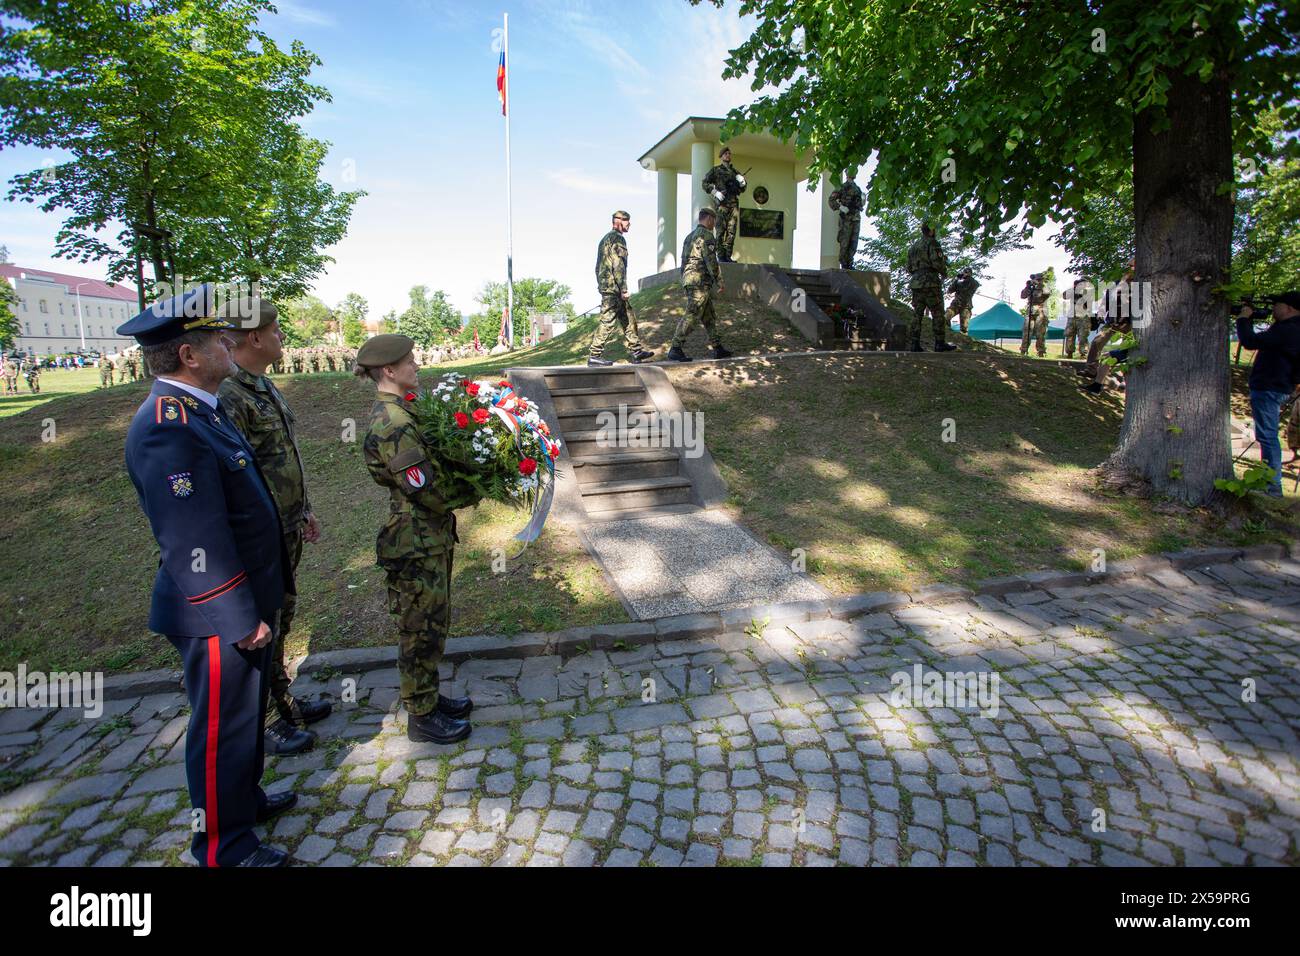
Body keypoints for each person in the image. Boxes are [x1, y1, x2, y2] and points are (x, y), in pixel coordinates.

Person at [118, 282, 294, 867]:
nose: (230, 345)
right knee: (222, 729)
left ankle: (242, 803)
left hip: (241, 598)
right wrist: (238, 616)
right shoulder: (169, 424)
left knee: (242, 720)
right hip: (216, 611)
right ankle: (224, 848)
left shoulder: (201, 411)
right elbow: (192, 537)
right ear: (190, 355)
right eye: (219, 339)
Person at [218, 296, 331, 756]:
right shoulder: (231, 395)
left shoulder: (263, 386)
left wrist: (302, 508)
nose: (284, 337)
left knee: (281, 617)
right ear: (255, 337)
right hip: (261, 534)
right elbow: (238, 474)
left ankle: (281, 697)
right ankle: (262, 719)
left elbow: (281, 458)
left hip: (285, 525)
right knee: (260, 621)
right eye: (278, 330)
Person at [355, 334, 477, 744]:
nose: (417, 365)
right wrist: (475, 489)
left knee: (433, 623)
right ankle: (421, 717)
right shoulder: (393, 423)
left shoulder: (404, 411)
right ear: (389, 370)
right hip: (414, 537)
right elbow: (425, 489)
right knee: (419, 628)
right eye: (410, 361)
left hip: (428, 534)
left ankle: (428, 697)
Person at [1235, 291, 1300, 498]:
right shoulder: (1290, 329)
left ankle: (1272, 486)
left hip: (1270, 387)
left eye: (1277, 305)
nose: (1273, 309)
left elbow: (1250, 340)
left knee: (1268, 437)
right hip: (1276, 386)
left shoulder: (1289, 329)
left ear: (1289, 308)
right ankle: (1269, 482)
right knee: (1267, 436)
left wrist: (1244, 317)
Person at [588, 210, 654, 368]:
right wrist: (623, 289)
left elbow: (598, 267)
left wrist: (601, 285)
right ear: (619, 222)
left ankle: (636, 350)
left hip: (608, 286)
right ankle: (594, 355)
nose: (629, 224)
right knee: (607, 321)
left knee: (628, 318)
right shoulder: (618, 239)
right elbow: (618, 267)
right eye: (627, 221)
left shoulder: (605, 239)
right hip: (614, 288)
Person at [668, 207, 733, 362]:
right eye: (714, 220)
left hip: (689, 280)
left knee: (709, 316)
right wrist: (719, 281)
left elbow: (684, 261)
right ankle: (675, 348)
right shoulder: (707, 236)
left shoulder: (689, 237)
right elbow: (711, 262)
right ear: (709, 219)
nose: (714, 223)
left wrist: (684, 279)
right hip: (699, 282)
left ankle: (718, 348)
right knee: (691, 314)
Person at [1079, 260, 1136, 393]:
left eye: (1132, 267)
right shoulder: (1115, 284)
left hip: (1129, 324)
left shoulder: (1139, 284)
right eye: (1128, 266)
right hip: (1112, 322)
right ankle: (1091, 370)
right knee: (1097, 342)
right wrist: (1100, 313)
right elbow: (1105, 301)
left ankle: (1126, 384)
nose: (1129, 269)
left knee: (1128, 353)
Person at [905, 223, 954, 352]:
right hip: (931, 282)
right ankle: (939, 343)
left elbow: (909, 268)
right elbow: (937, 262)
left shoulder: (913, 247)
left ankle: (914, 344)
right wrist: (944, 272)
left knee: (917, 314)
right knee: (937, 313)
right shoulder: (933, 243)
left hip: (916, 283)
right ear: (931, 230)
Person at [701, 146, 746, 262]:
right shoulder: (716, 170)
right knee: (721, 231)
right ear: (721, 157)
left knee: (731, 231)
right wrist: (715, 192)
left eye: (729, 154)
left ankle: (728, 256)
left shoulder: (735, 172)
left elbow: (743, 188)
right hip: (722, 205)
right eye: (725, 154)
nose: (728, 155)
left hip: (733, 205)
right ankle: (720, 257)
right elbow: (704, 183)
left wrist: (742, 182)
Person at [827, 173, 864, 270]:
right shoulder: (842, 187)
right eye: (851, 172)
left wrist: (861, 203)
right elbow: (831, 200)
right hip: (846, 219)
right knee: (845, 241)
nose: (853, 174)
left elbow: (860, 203)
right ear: (847, 174)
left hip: (856, 217)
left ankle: (850, 263)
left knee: (854, 242)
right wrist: (840, 207)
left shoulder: (858, 189)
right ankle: (844, 263)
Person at [1019, 271, 1050, 357]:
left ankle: (1041, 351)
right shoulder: (1031, 287)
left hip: (1041, 310)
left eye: (1037, 279)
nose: (1035, 281)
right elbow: (1022, 296)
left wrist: (1039, 285)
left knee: (1040, 332)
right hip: (1030, 310)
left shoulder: (1044, 286)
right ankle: (1023, 350)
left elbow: (1047, 293)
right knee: (1026, 330)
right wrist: (1027, 286)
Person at [1062, 278, 1091, 359]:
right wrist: (1073, 288)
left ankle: (1083, 354)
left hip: (1083, 317)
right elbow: (1064, 296)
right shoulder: (1073, 291)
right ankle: (1069, 353)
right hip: (1072, 316)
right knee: (1069, 335)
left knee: (1083, 336)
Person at [945, 269, 980, 334]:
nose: (965, 274)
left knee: (964, 328)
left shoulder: (973, 282)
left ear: (970, 274)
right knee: (945, 317)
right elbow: (949, 290)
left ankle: (963, 342)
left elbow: (975, 284)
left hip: (966, 306)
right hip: (955, 305)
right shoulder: (958, 281)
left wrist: (967, 277)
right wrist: (956, 279)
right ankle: (948, 333)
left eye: (967, 273)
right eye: (964, 272)